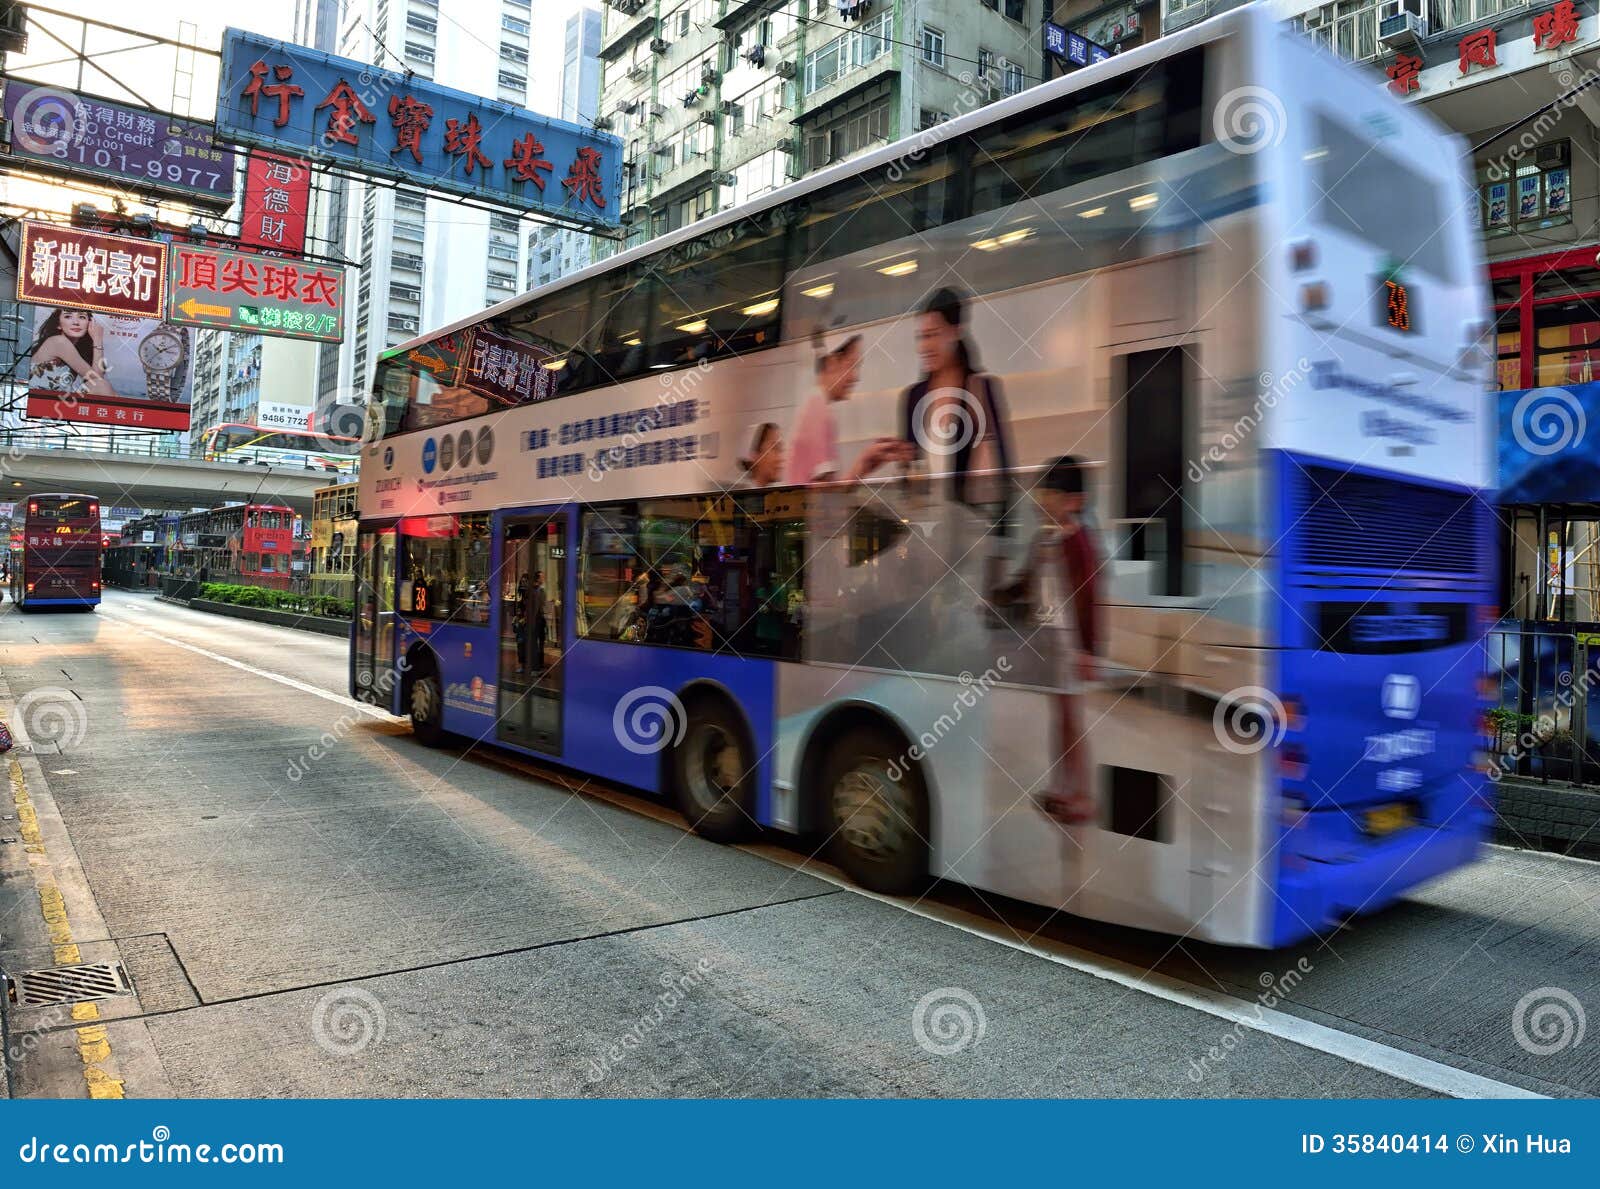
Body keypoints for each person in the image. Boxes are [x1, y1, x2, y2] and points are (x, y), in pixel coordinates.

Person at [993, 456, 1101, 826]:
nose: (1043, 501)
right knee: (1062, 719)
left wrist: (1089, 649)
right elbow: (1026, 580)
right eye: (1041, 494)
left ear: (1076, 501)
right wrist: (1000, 594)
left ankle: (1081, 796)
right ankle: (1062, 789)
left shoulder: (1080, 542)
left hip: (1070, 643)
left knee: (1071, 720)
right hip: (1051, 640)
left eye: (1052, 494)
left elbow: (1090, 598)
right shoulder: (1046, 539)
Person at [898, 288, 1014, 516]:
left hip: (968, 529)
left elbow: (1002, 470)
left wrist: (1001, 539)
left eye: (933, 335)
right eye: (921, 337)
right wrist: (904, 463)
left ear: (956, 332)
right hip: (927, 528)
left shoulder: (980, 388)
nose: (924, 347)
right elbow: (909, 479)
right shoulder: (913, 397)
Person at [786, 332, 912, 485]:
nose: (856, 377)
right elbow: (827, 496)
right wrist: (864, 461)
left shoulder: (814, 404)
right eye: (852, 365)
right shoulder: (818, 412)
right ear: (832, 363)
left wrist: (867, 463)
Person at [28, 308, 113, 397]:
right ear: (58, 325)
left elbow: (98, 380)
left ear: (90, 323)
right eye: (68, 316)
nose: (76, 322)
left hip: (56, 399)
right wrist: (98, 339)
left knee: (101, 386)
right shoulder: (58, 342)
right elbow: (97, 379)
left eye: (82, 317)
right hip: (37, 399)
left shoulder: (78, 350)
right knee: (102, 386)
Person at [737, 423, 786, 489]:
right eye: (775, 448)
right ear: (754, 455)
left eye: (781, 449)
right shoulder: (742, 497)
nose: (781, 458)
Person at [525, 570, 547, 672]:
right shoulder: (535, 591)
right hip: (535, 620)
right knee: (535, 643)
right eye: (542, 577)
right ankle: (535, 666)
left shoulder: (539, 590)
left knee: (539, 642)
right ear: (537, 579)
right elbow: (534, 608)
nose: (544, 579)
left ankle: (538, 664)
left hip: (539, 620)